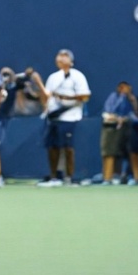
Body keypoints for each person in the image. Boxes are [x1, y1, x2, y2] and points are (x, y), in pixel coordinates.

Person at [37, 49, 90, 187]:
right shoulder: (53, 77)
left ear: (71, 61)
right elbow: (47, 95)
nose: (60, 59)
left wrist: (65, 97)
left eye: (64, 56)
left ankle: (69, 178)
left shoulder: (78, 76)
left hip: (69, 117)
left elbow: (85, 96)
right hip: (53, 117)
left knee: (67, 147)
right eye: (59, 56)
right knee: (52, 147)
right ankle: (55, 177)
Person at [100, 80, 138, 186]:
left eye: (128, 88)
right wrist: (117, 118)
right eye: (123, 88)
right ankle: (108, 177)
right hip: (111, 128)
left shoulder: (131, 99)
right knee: (109, 152)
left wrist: (131, 98)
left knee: (127, 153)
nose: (126, 90)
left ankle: (126, 176)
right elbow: (109, 111)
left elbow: (135, 113)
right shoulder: (113, 97)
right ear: (119, 88)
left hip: (127, 129)